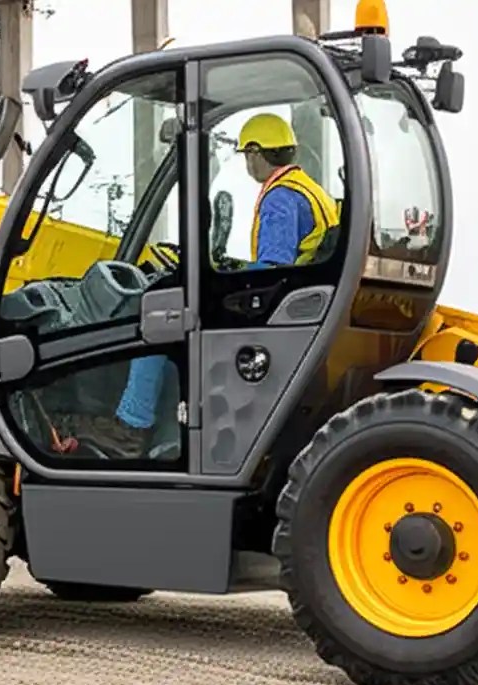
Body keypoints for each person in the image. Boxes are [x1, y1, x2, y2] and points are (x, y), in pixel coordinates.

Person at [89, 114, 340, 458]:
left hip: (272, 306)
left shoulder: (280, 199)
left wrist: (228, 277)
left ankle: (133, 424)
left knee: (161, 316)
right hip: (292, 297)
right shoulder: (310, 190)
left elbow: (272, 267)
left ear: (255, 152)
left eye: (246, 155)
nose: (247, 163)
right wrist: (232, 268)